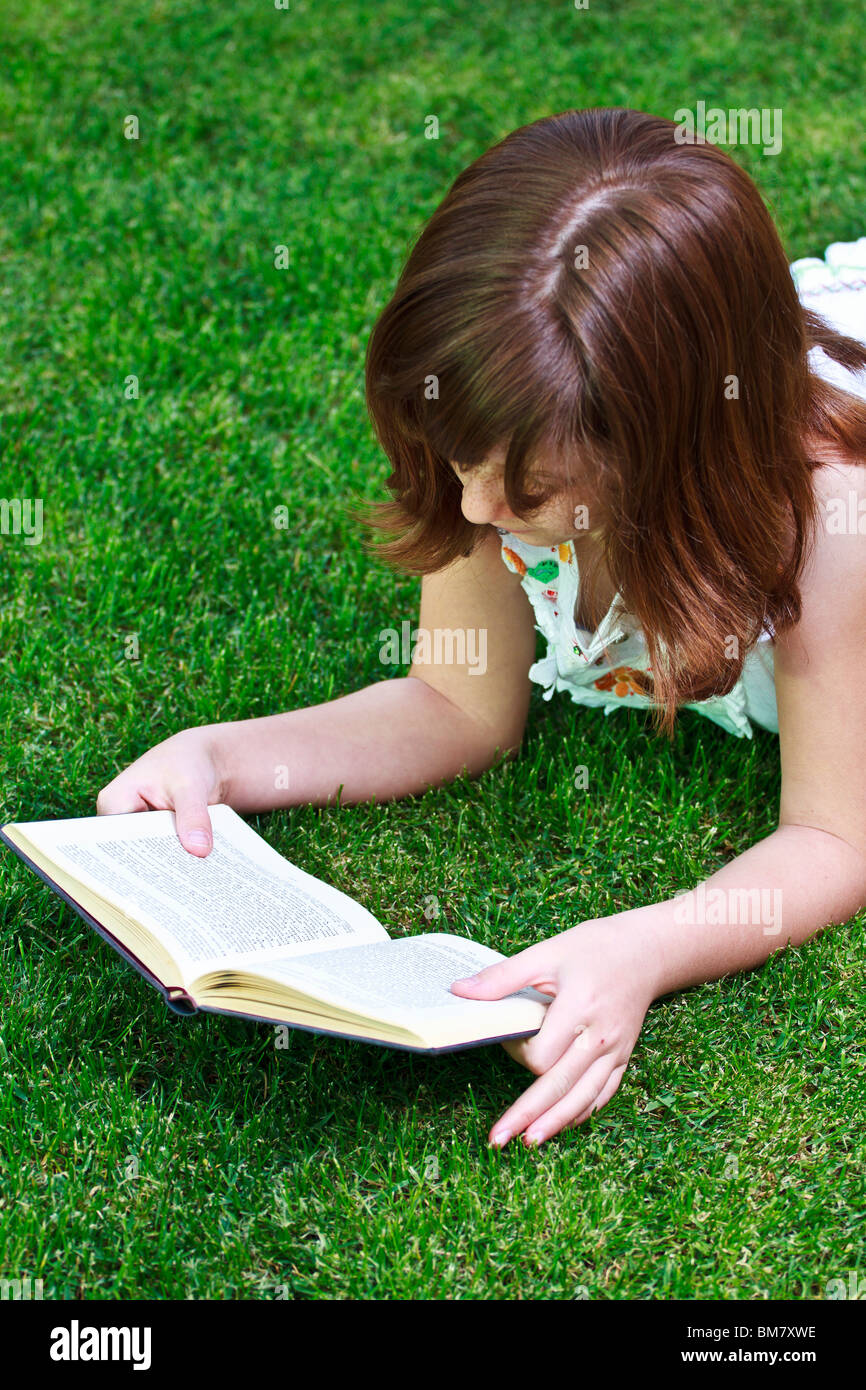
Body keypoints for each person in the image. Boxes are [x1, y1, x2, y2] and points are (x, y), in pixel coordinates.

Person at [97, 107, 866, 1148]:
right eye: (455, 460)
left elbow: (830, 836)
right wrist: (223, 758)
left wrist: (643, 944)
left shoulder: (824, 539)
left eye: (531, 492)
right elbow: (455, 702)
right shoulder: (506, 424)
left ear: (668, 458)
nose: (468, 512)